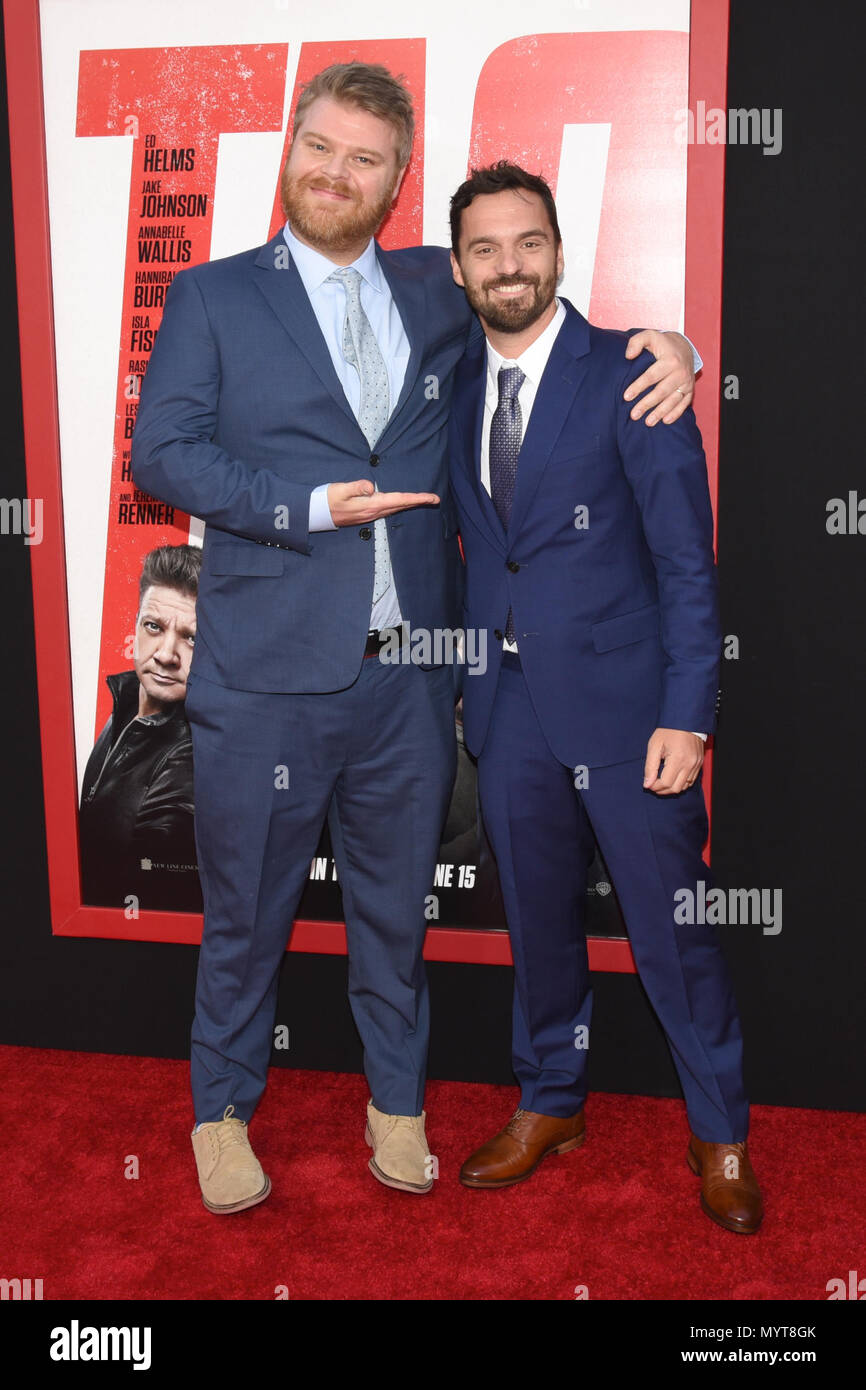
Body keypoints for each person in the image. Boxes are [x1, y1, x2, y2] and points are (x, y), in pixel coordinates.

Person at [131, 61, 698, 1214]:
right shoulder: (211, 297)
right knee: (247, 916)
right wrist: (301, 507)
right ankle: (222, 1111)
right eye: (321, 147)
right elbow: (161, 456)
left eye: (366, 159)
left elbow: (540, 326)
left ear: (395, 184)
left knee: (394, 915)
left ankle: (398, 1104)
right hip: (267, 676)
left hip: (410, 680)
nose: (337, 171)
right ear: (291, 150)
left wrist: (671, 349)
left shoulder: (436, 291)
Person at [447, 162, 762, 1234]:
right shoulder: (450, 382)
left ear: (559, 250)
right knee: (536, 930)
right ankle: (549, 1102)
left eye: (526, 243)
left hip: (634, 715)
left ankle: (719, 1131)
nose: (508, 265)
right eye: (484, 248)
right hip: (507, 710)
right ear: (457, 267)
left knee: (675, 933)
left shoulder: (635, 370)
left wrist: (688, 711)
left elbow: (686, 561)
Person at [79, 544, 202, 913]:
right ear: (135, 624)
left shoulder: (190, 755)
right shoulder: (127, 699)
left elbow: (149, 889)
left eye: (191, 637)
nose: (166, 653)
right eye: (154, 626)